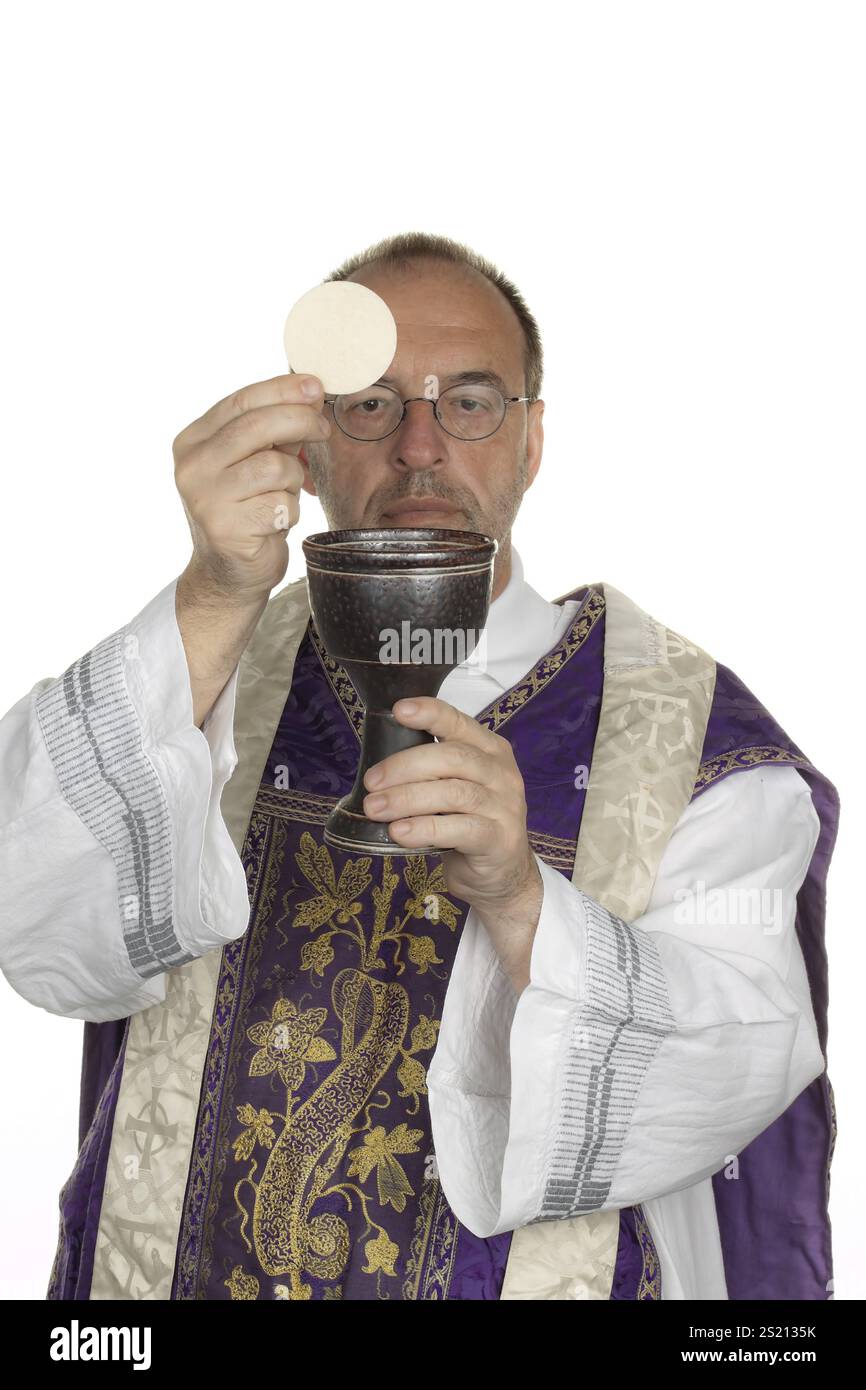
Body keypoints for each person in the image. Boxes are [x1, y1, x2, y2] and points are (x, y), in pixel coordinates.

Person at [0, 231, 839, 1302]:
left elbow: (743, 1061)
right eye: (370, 404)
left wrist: (526, 904)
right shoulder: (210, 667)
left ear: (531, 442)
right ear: (308, 445)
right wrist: (211, 592)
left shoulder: (691, 741)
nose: (418, 446)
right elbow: (39, 922)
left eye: (471, 403)